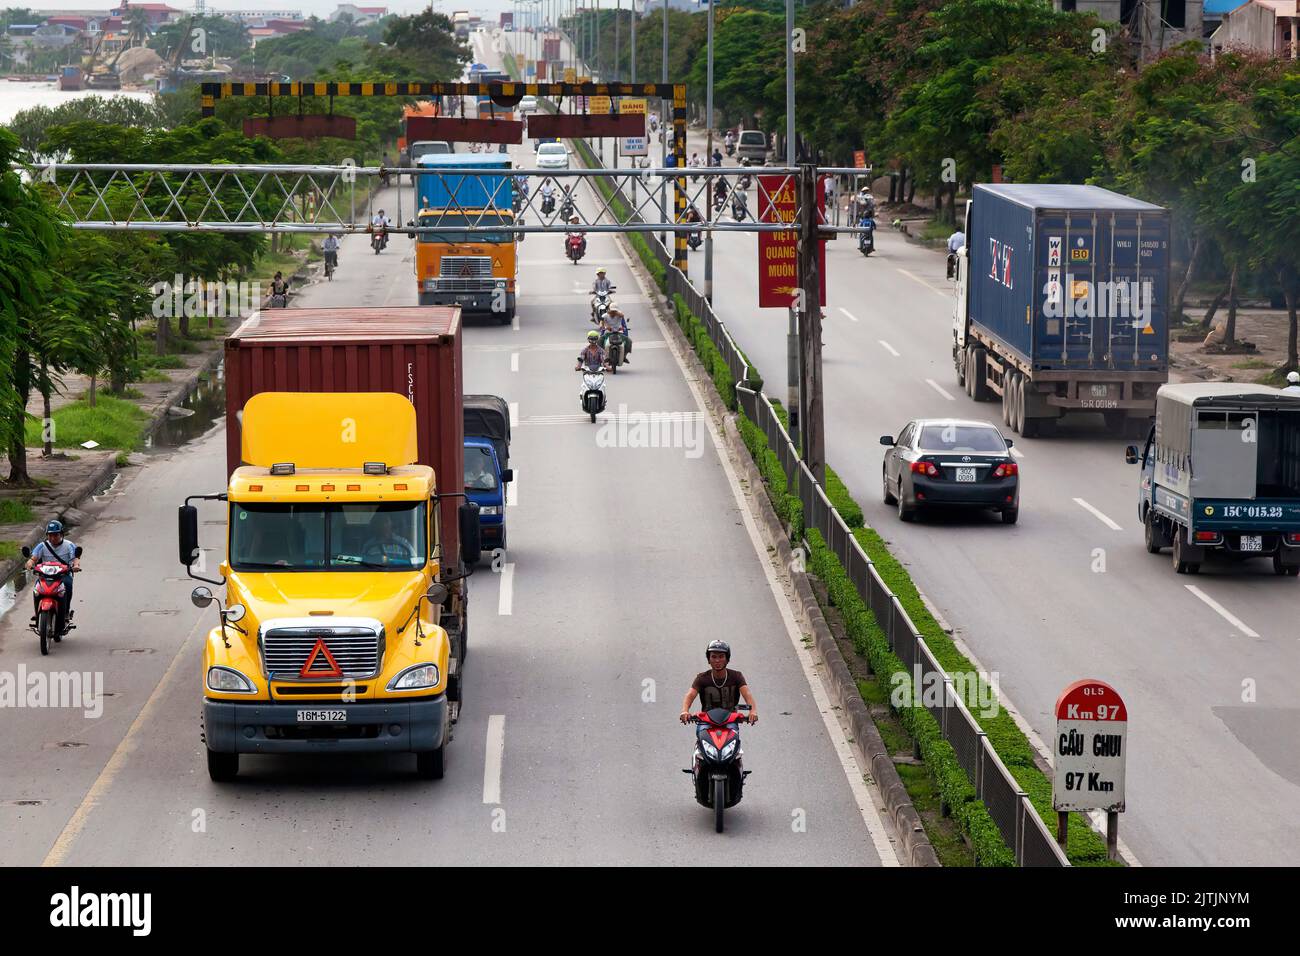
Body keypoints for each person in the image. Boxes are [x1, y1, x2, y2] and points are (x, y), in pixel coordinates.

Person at [679, 640, 757, 724]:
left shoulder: (736, 676)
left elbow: (747, 694)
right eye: (714, 657)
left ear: (727, 659)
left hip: (730, 721)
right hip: (706, 722)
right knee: (703, 736)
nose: (717, 660)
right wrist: (685, 711)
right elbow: (690, 695)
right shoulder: (701, 678)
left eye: (721, 656)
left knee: (733, 737)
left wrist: (753, 711)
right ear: (709, 659)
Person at [26, 519, 80, 628]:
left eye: (55, 535)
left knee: (68, 585)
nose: (52, 538)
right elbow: (33, 558)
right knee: (37, 589)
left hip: (63, 575)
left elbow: (76, 558)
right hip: (45, 576)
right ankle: (37, 613)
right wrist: (30, 563)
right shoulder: (42, 545)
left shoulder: (69, 545)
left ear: (61, 534)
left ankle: (65, 612)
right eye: (50, 535)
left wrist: (76, 566)